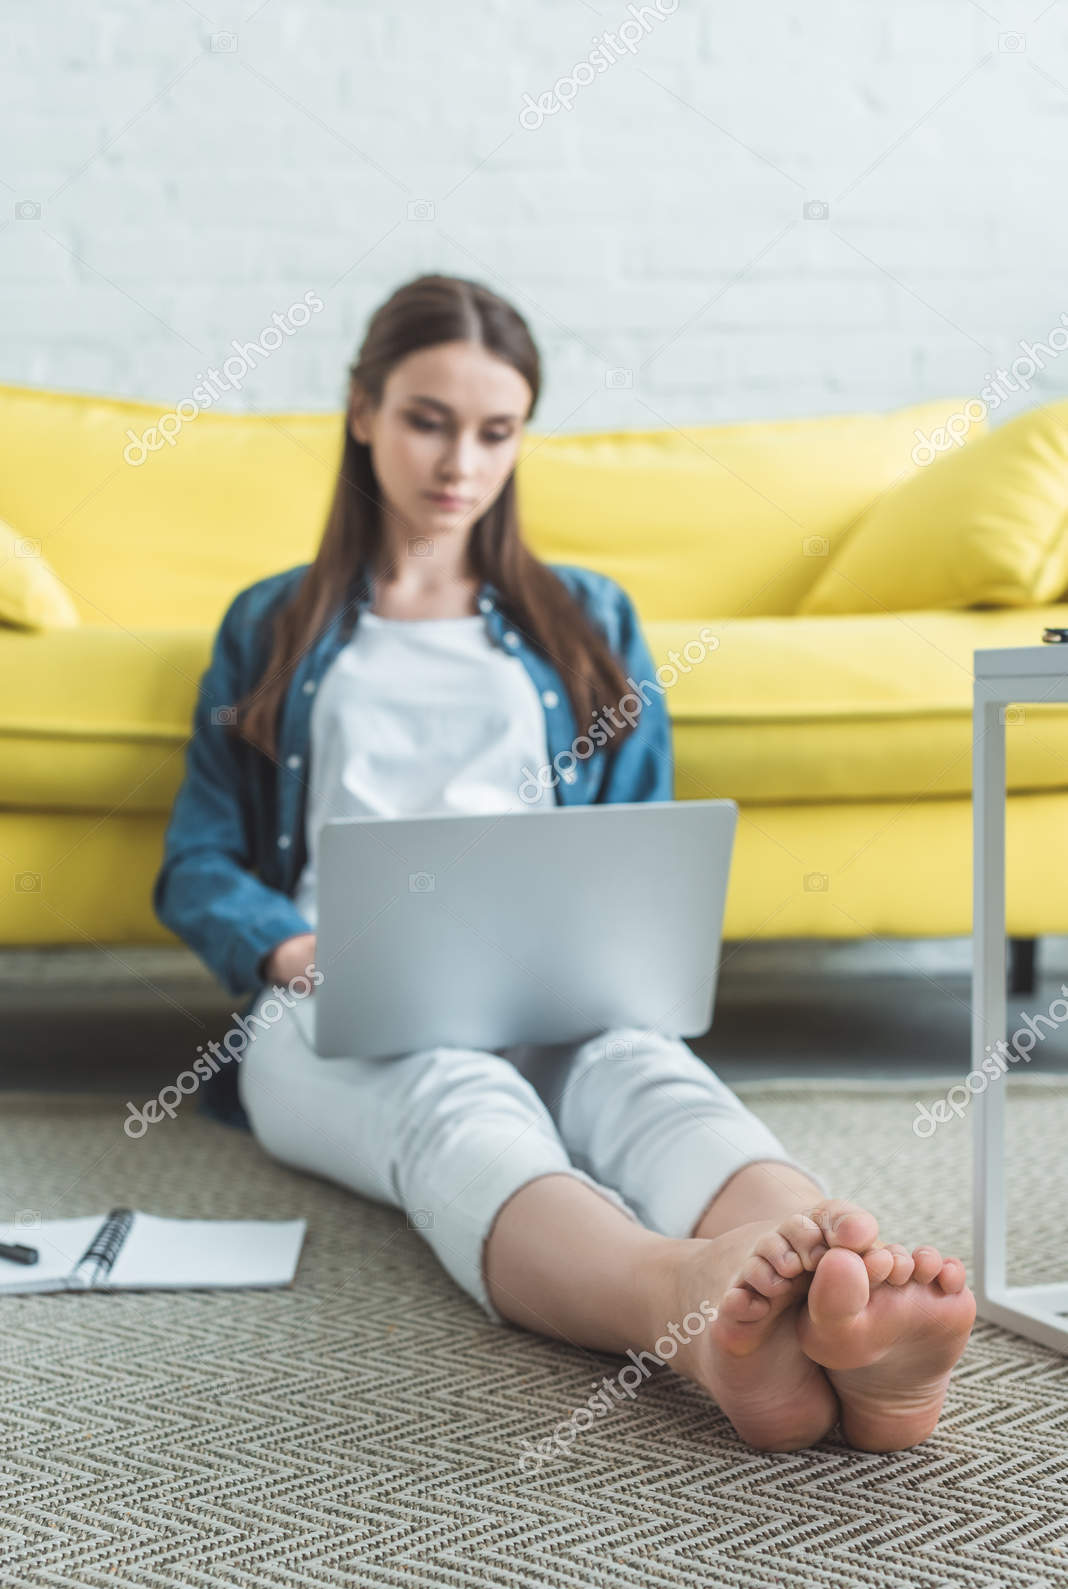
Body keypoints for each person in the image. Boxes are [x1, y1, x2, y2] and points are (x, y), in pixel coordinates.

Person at [154, 273, 975, 1454]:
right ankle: (695, 1317)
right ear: (362, 411)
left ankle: (837, 1281)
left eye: (497, 431)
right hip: (336, 1003)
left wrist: (614, 965)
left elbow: (633, 846)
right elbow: (196, 861)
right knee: (460, 1096)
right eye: (429, 420)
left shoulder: (588, 618)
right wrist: (287, 945)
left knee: (644, 1068)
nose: (461, 463)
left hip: (551, 983)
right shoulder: (271, 624)